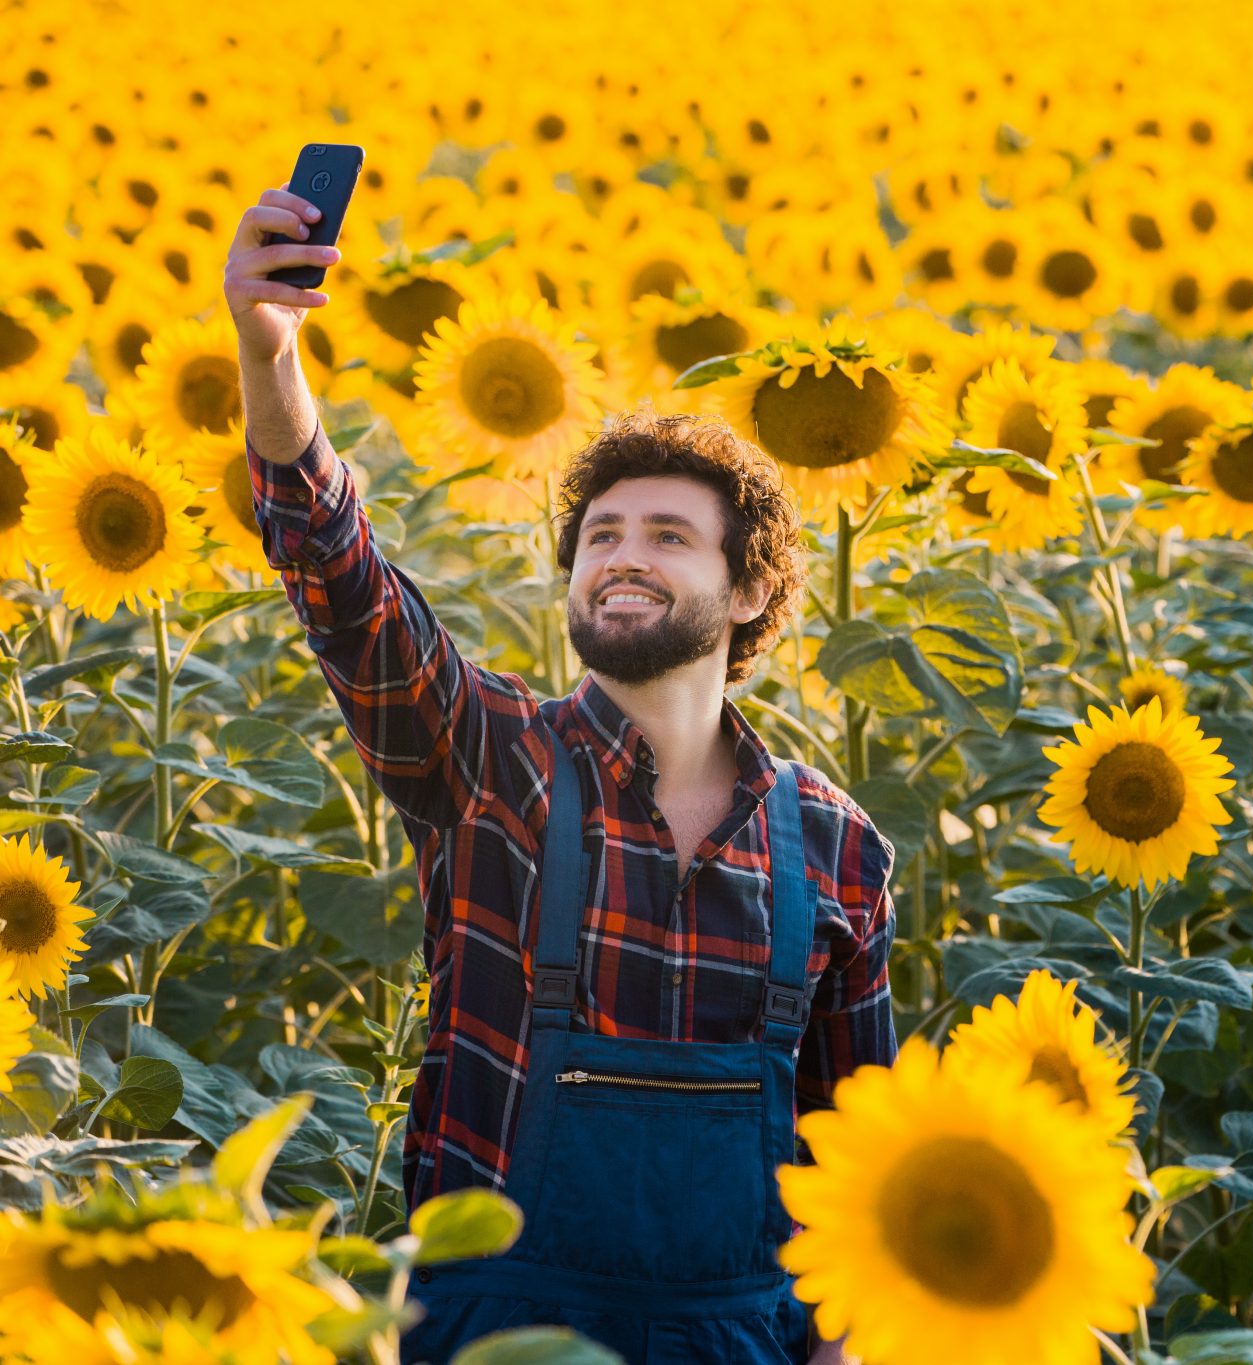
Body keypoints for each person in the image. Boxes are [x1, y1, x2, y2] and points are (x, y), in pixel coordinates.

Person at [224, 183, 892, 1365]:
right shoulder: (493, 763)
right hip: (501, 1332)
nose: (621, 558)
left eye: (666, 536)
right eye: (601, 537)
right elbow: (342, 580)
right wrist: (270, 355)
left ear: (748, 596)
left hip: (742, 1338)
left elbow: (862, 1155)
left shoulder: (837, 847)